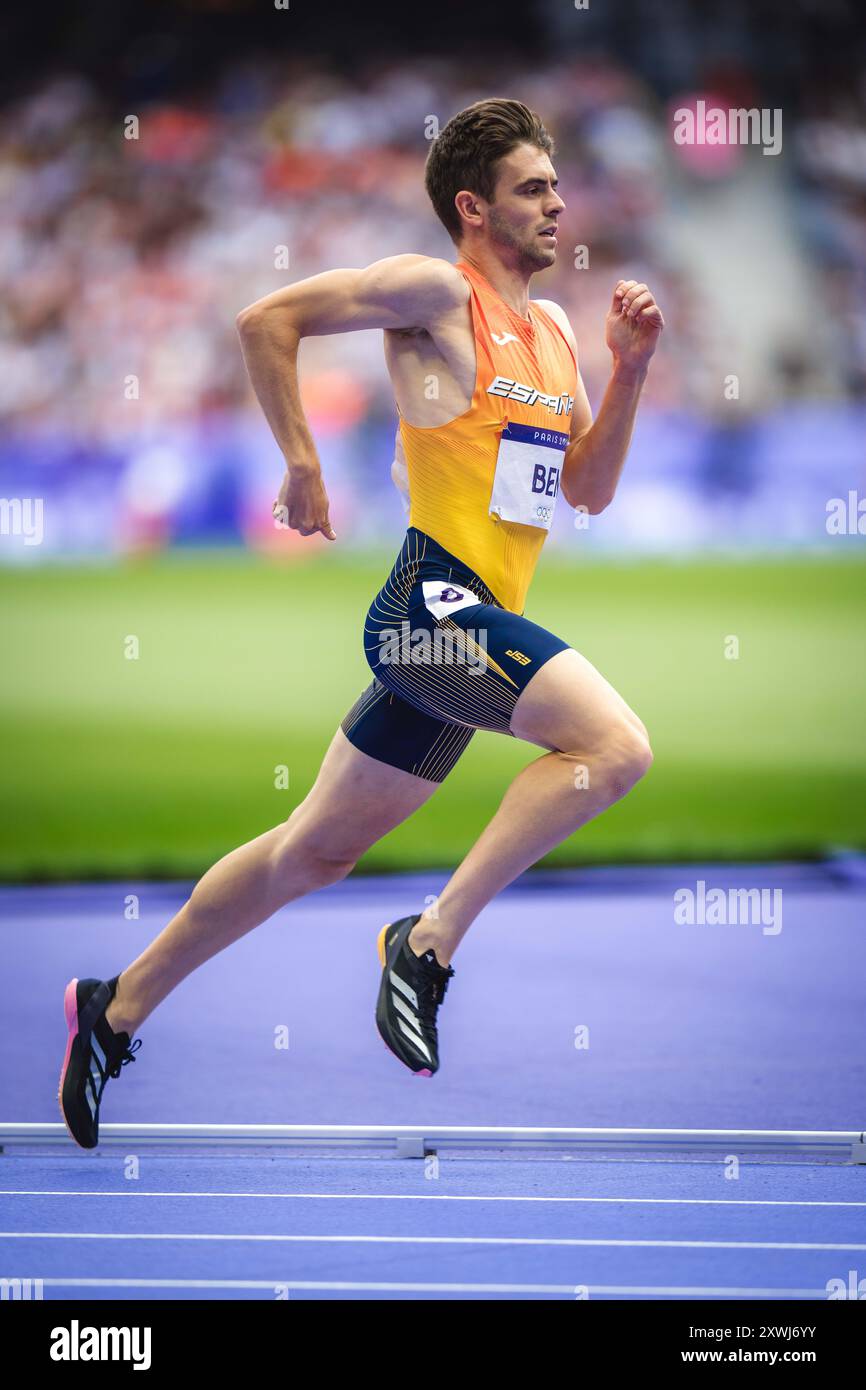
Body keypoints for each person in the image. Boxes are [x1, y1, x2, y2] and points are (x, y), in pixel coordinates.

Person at [59, 98, 663, 1145]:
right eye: (531, 187)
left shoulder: (558, 331)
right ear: (472, 208)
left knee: (311, 853)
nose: (556, 201)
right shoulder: (437, 291)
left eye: (556, 185)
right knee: (612, 747)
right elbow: (266, 321)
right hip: (428, 607)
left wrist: (632, 371)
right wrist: (300, 458)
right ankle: (424, 945)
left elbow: (589, 490)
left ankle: (112, 1007)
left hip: (470, 630)